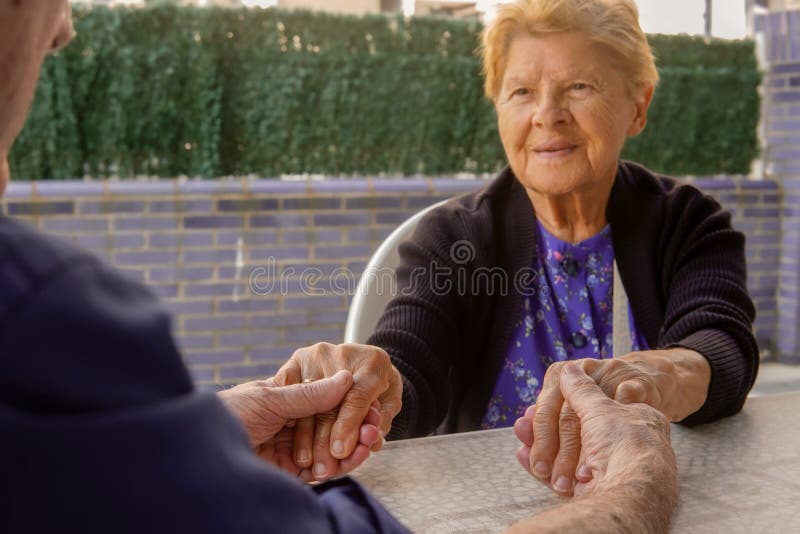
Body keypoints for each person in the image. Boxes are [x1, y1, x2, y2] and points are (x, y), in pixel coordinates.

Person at [278, 0, 758, 498]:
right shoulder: (454, 239)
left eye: (578, 86)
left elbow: (720, 346)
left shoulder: (688, 222)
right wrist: (365, 384)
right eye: (522, 91)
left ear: (638, 105)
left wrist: (656, 377)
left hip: (650, 502)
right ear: (500, 110)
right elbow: (410, 360)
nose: (547, 115)